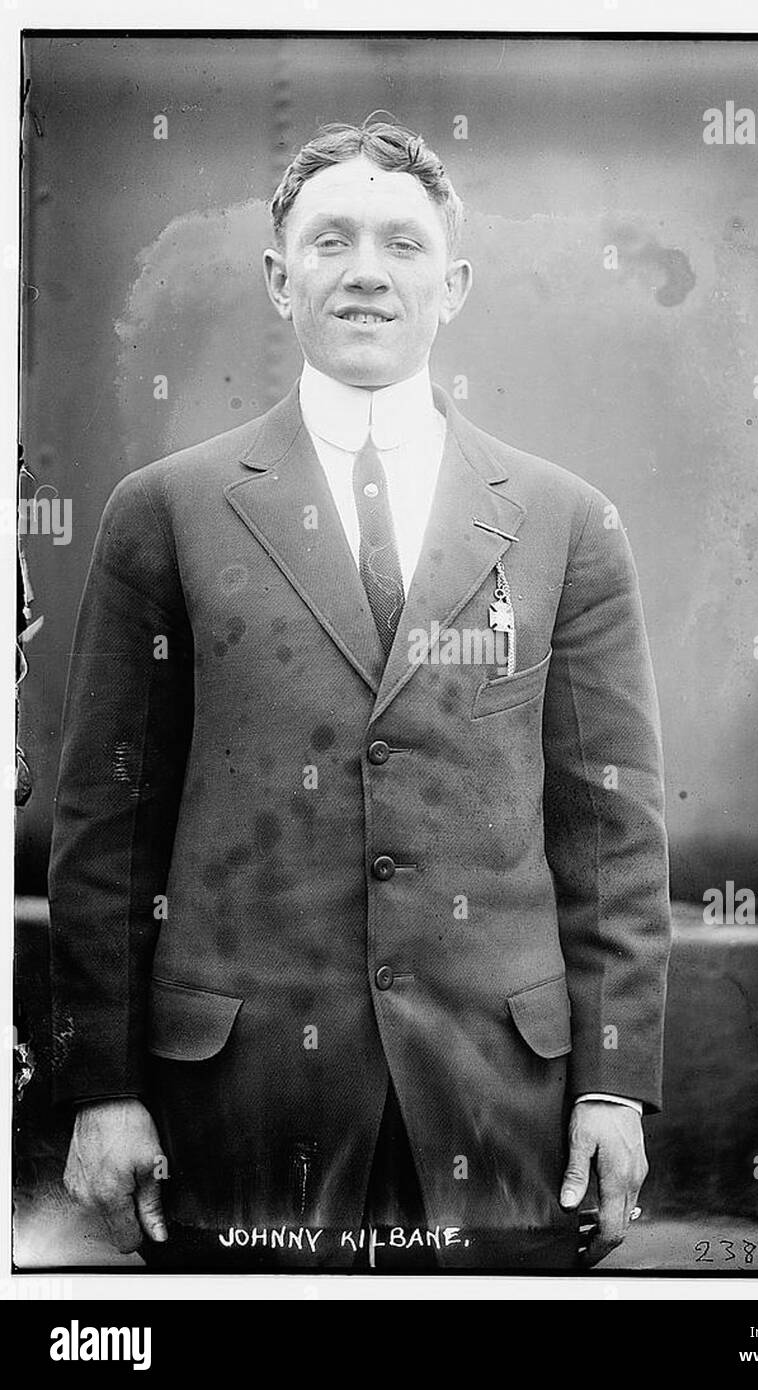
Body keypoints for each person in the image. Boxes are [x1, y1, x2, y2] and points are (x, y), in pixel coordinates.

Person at [49, 119, 671, 1272]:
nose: (368, 269)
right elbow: (106, 830)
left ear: (455, 284)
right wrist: (103, 1086)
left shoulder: (563, 521)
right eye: (330, 240)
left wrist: (618, 1086)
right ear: (282, 280)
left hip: (501, 1111)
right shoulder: (168, 509)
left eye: (403, 242)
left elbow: (612, 832)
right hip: (237, 1113)